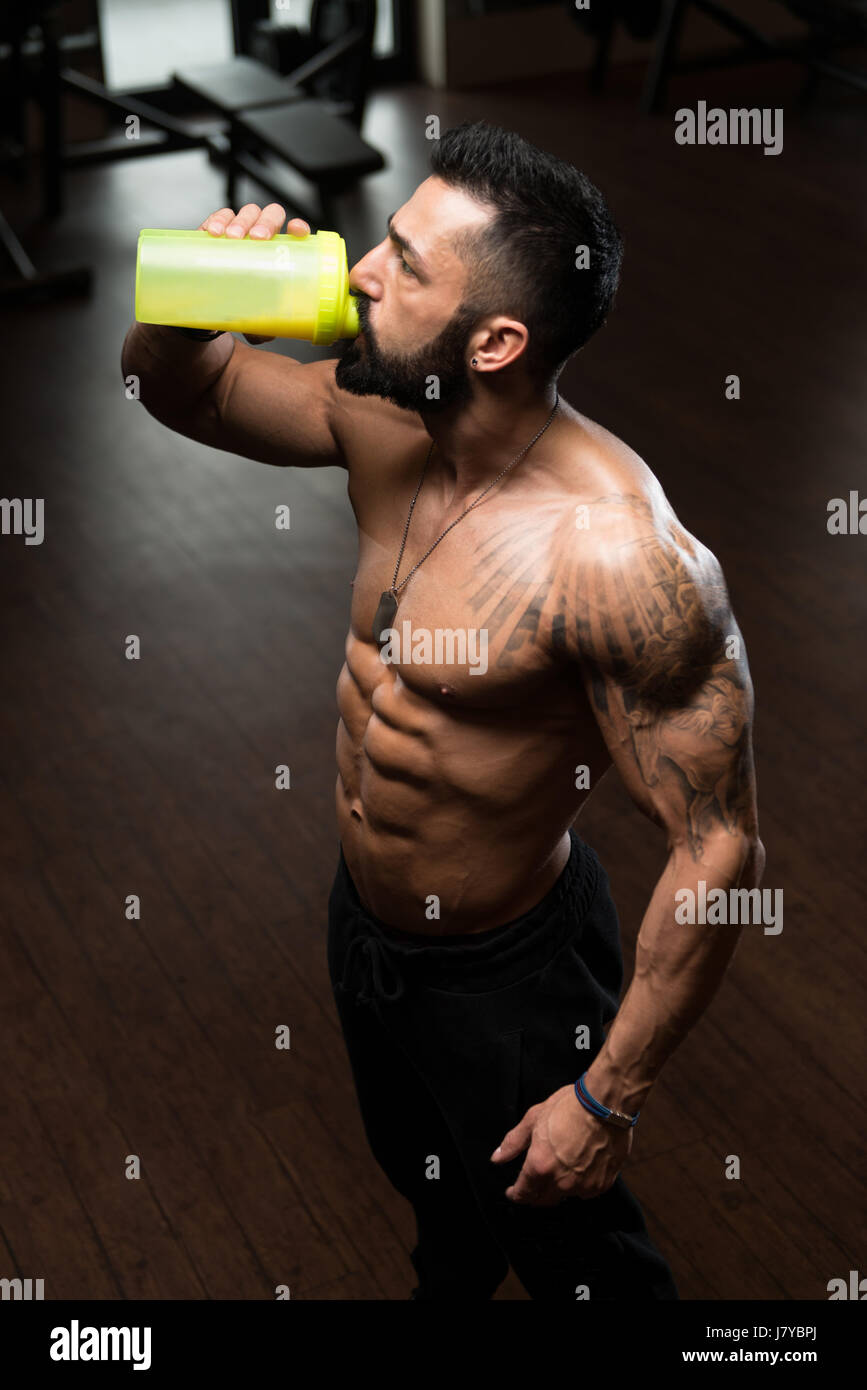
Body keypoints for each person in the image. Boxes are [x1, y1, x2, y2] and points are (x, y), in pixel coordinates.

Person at [121, 120, 765, 1301]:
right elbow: (187, 392)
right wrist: (188, 307)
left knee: (578, 1254)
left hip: (508, 971)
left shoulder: (618, 554)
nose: (361, 267)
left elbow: (718, 843)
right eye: (387, 240)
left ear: (499, 338)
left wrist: (606, 1095)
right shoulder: (382, 418)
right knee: (438, 1203)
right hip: (366, 930)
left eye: (408, 266)